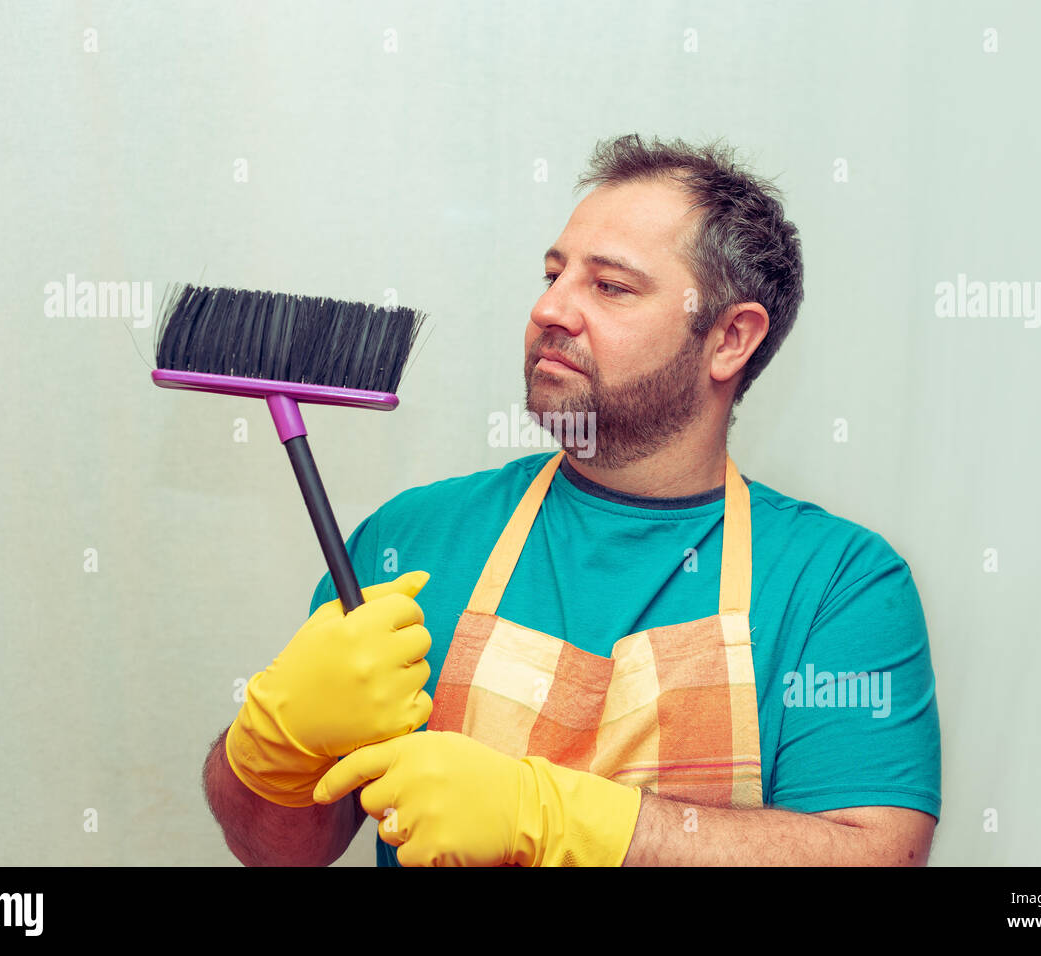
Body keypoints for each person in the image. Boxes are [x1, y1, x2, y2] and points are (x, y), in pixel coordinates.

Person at [203, 133, 941, 867]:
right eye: (553, 275)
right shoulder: (411, 541)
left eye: (609, 285)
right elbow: (279, 852)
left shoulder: (840, 583)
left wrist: (559, 820)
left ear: (729, 340)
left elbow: (876, 856)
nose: (551, 308)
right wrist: (273, 746)